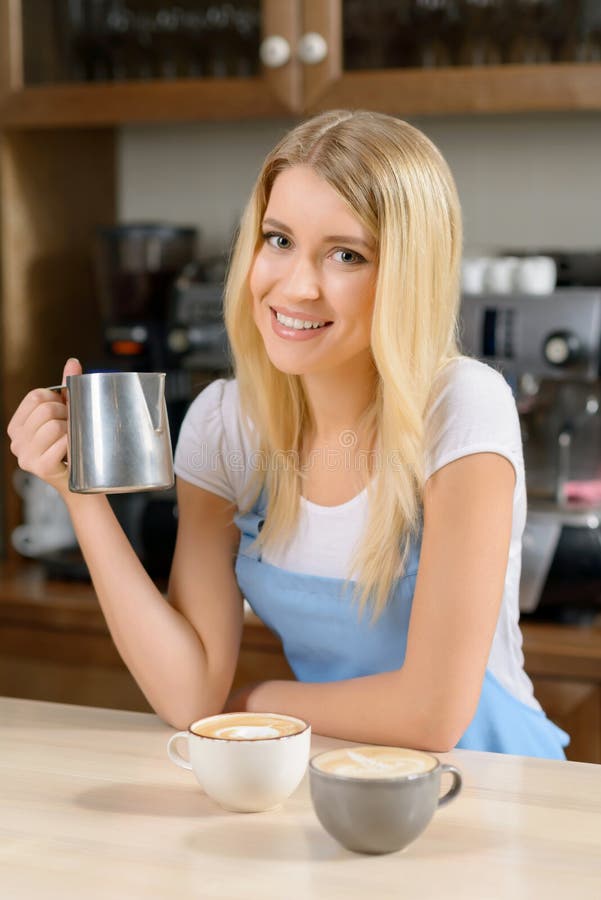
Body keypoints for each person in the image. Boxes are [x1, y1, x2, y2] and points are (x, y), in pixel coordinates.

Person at [8, 109, 568, 758]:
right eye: (278, 240)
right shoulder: (225, 427)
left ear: (406, 276)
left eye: (345, 254)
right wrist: (79, 496)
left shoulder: (460, 406)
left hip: (497, 793)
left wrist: (257, 703)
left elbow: (433, 714)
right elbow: (189, 697)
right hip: (337, 780)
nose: (296, 286)